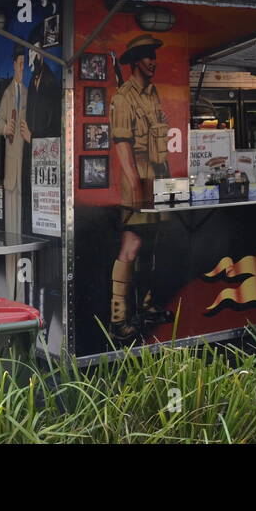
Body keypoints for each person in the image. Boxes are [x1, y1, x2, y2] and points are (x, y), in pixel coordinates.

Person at [108, 34, 174, 340]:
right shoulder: (123, 98)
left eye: (154, 57)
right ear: (136, 60)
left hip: (158, 179)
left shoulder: (151, 93)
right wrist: (134, 184)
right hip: (137, 181)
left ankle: (146, 307)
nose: (153, 62)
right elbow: (122, 144)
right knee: (131, 246)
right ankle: (119, 316)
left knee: (152, 245)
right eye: (148, 56)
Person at [0, 45, 31, 298]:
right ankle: (11, 292)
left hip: (24, 170)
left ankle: (19, 291)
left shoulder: (29, 93)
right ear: (13, 65)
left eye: (23, 65)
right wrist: (4, 127)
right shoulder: (7, 92)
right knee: (11, 233)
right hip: (11, 172)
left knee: (22, 232)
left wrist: (30, 136)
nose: (21, 69)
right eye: (18, 64)